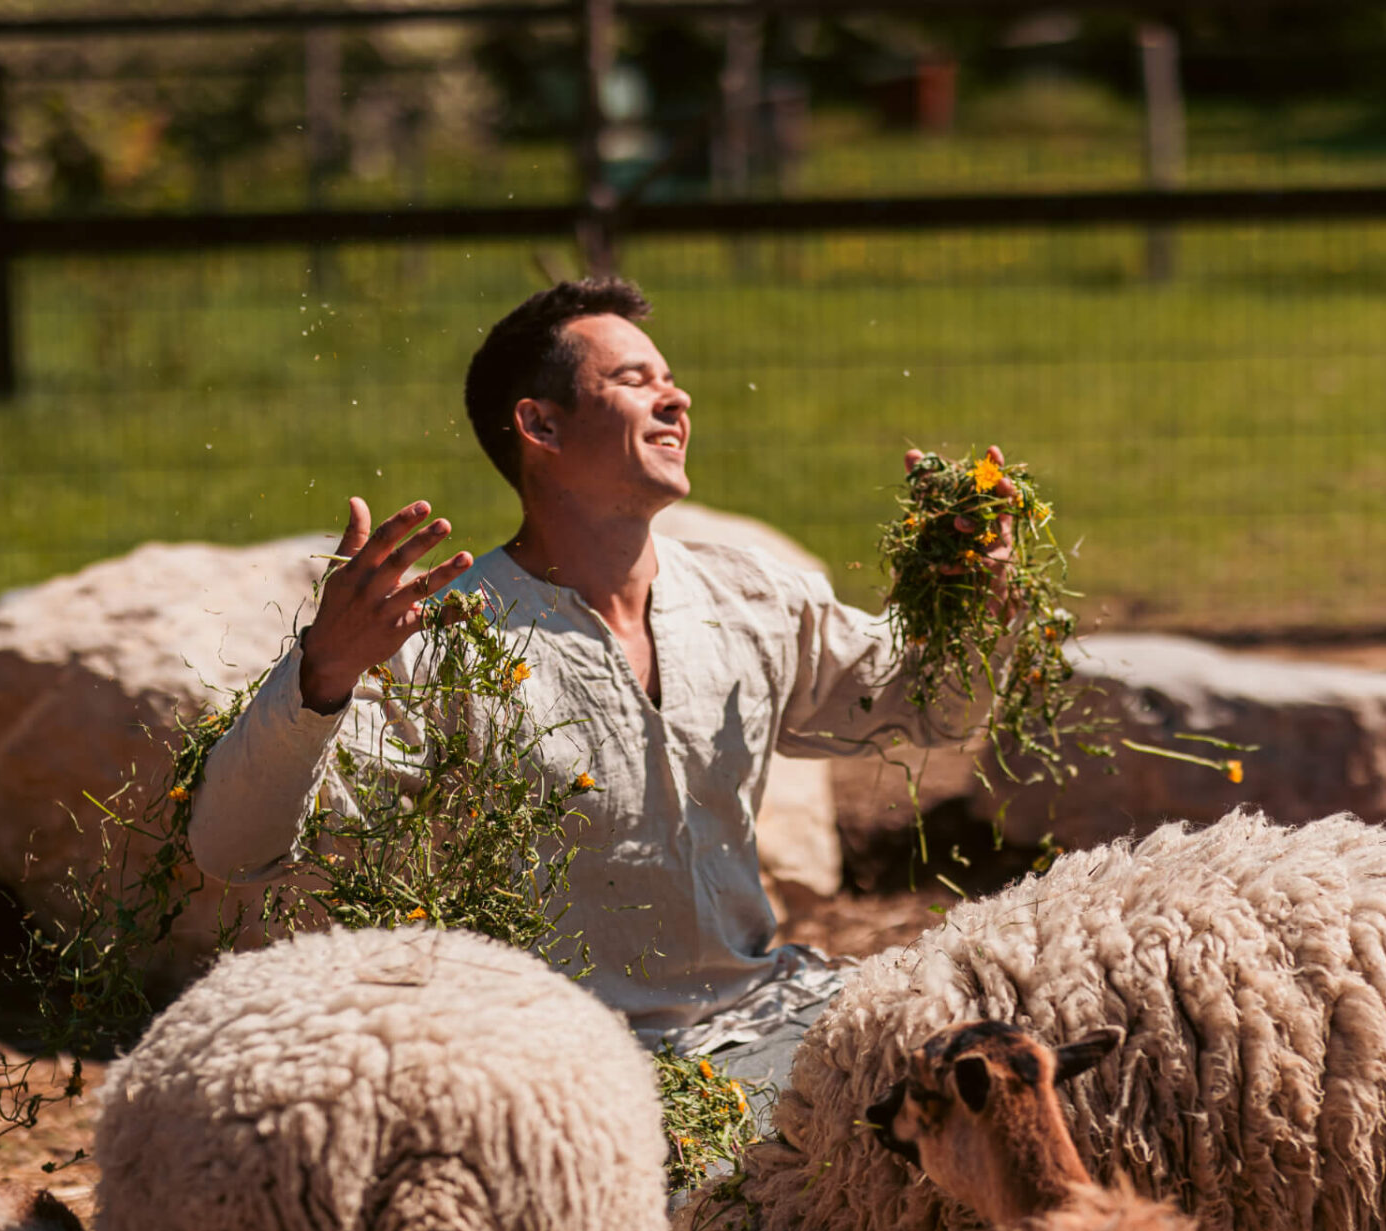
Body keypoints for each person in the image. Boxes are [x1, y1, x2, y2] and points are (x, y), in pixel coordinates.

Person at [189, 278, 1007, 1092]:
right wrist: (322, 672)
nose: (676, 397)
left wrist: (976, 589)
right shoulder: (447, 647)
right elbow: (234, 848)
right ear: (539, 424)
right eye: (633, 380)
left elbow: (932, 707)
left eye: (671, 378)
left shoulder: (753, 598)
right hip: (564, 1071)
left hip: (772, 1017)